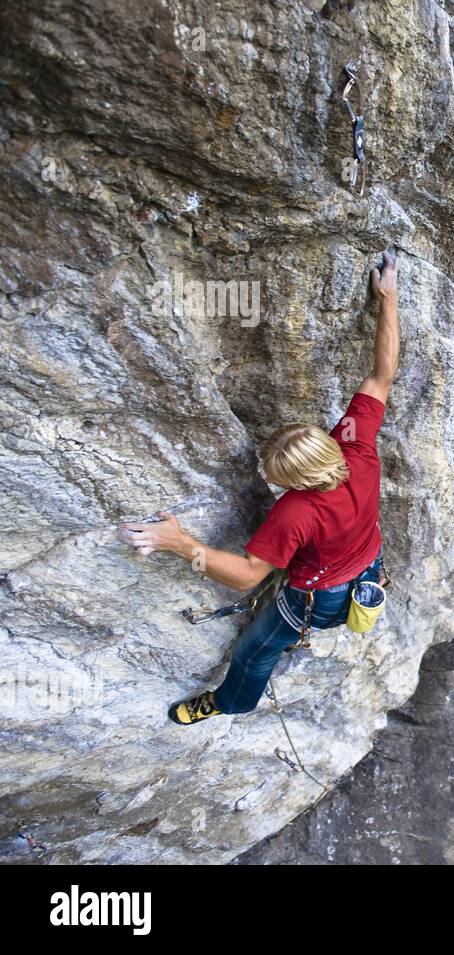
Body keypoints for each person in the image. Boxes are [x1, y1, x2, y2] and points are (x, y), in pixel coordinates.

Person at [120, 251, 401, 725]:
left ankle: (228, 702)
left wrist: (178, 543)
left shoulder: (295, 513)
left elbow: (249, 576)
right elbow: (382, 374)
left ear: (296, 483)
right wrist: (388, 301)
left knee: (255, 651)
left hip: (321, 593)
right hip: (368, 563)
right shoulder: (357, 448)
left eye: (278, 477)